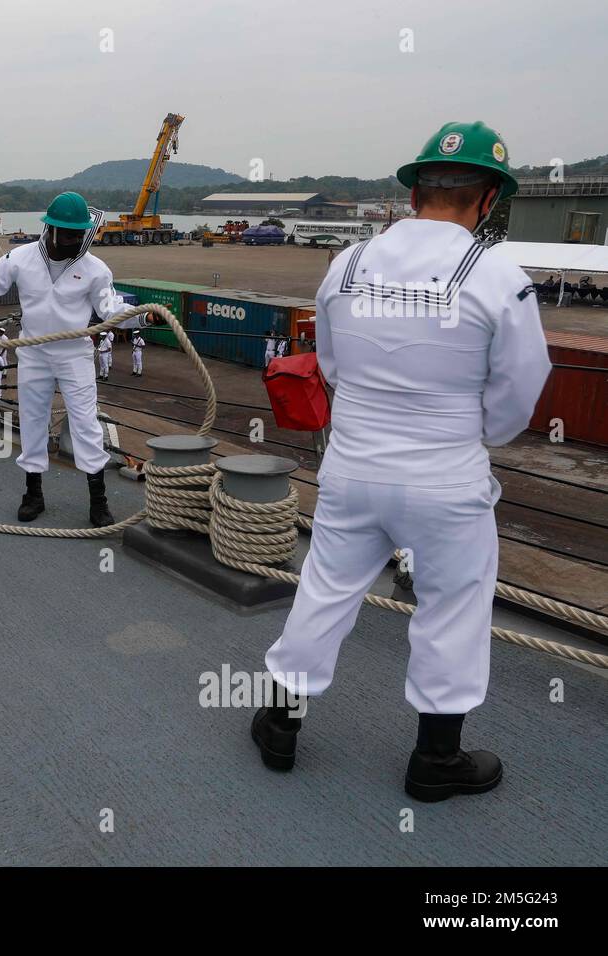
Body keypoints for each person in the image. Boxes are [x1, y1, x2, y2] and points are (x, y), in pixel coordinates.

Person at [251, 121, 552, 802]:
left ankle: (279, 727)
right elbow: (521, 388)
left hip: (353, 469)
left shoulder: (347, 264)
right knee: (452, 609)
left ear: (415, 191)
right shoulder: (499, 274)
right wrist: (476, 431)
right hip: (446, 478)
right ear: (487, 201)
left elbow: (330, 363)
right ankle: (434, 762)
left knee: (324, 592)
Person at [0, 192, 125, 526]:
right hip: (33, 354)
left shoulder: (95, 269)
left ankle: (98, 499)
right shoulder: (20, 259)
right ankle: (33, 493)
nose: (76, 240)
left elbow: (112, 309)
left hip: (74, 355)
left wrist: (141, 317)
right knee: (33, 422)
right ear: (51, 230)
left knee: (85, 424)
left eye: (80, 233)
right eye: (69, 234)